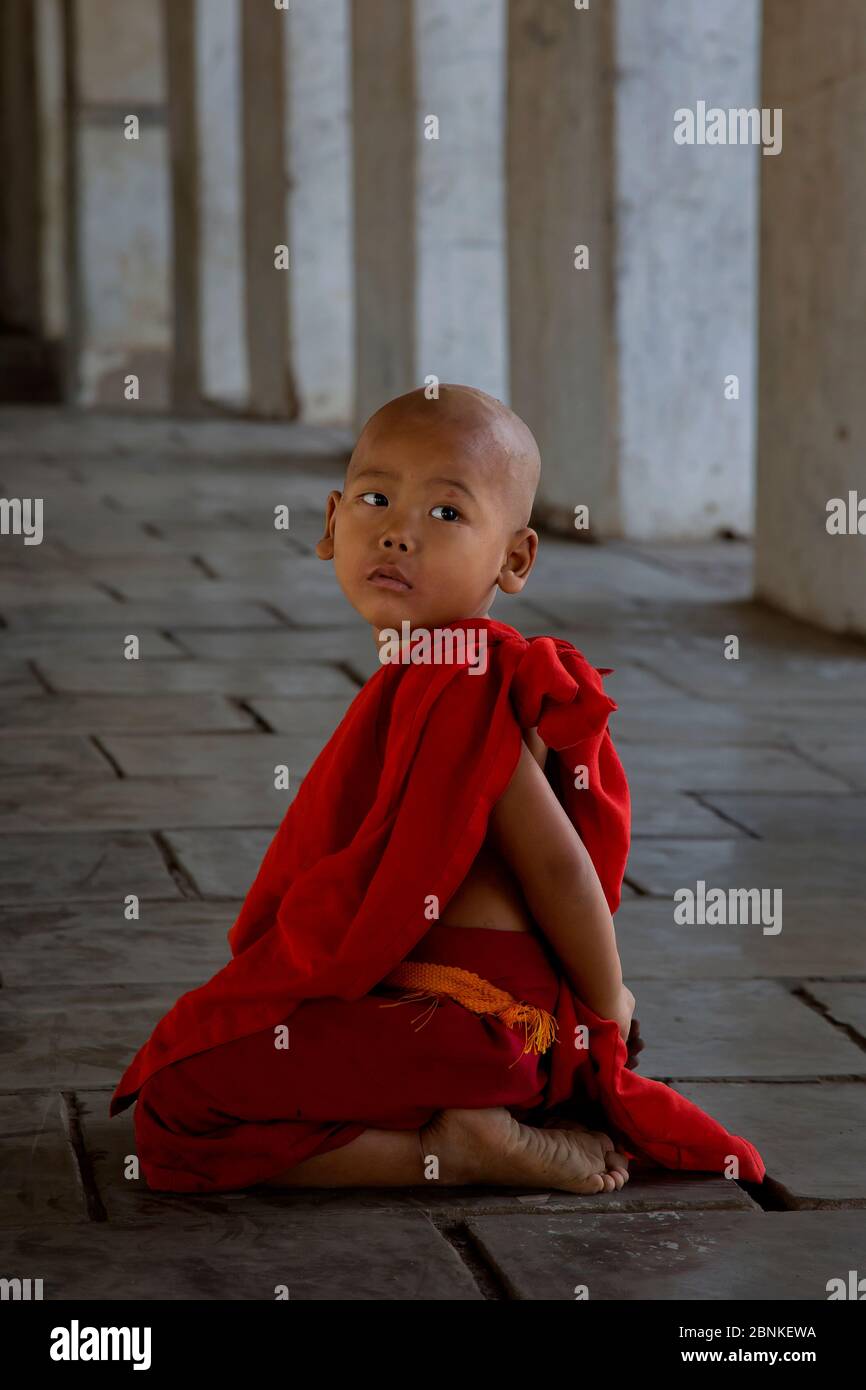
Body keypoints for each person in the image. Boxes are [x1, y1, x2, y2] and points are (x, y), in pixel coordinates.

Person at [112, 384, 764, 1197]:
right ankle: (456, 1121)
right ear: (329, 522)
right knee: (227, 1052)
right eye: (376, 499)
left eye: (447, 514)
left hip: (484, 1024)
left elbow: (559, 868)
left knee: (179, 1112)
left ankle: (460, 1146)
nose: (398, 531)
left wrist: (605, 1018)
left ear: (515, 558)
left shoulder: (465, 680)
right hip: (449, 1012)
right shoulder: (426, 672)